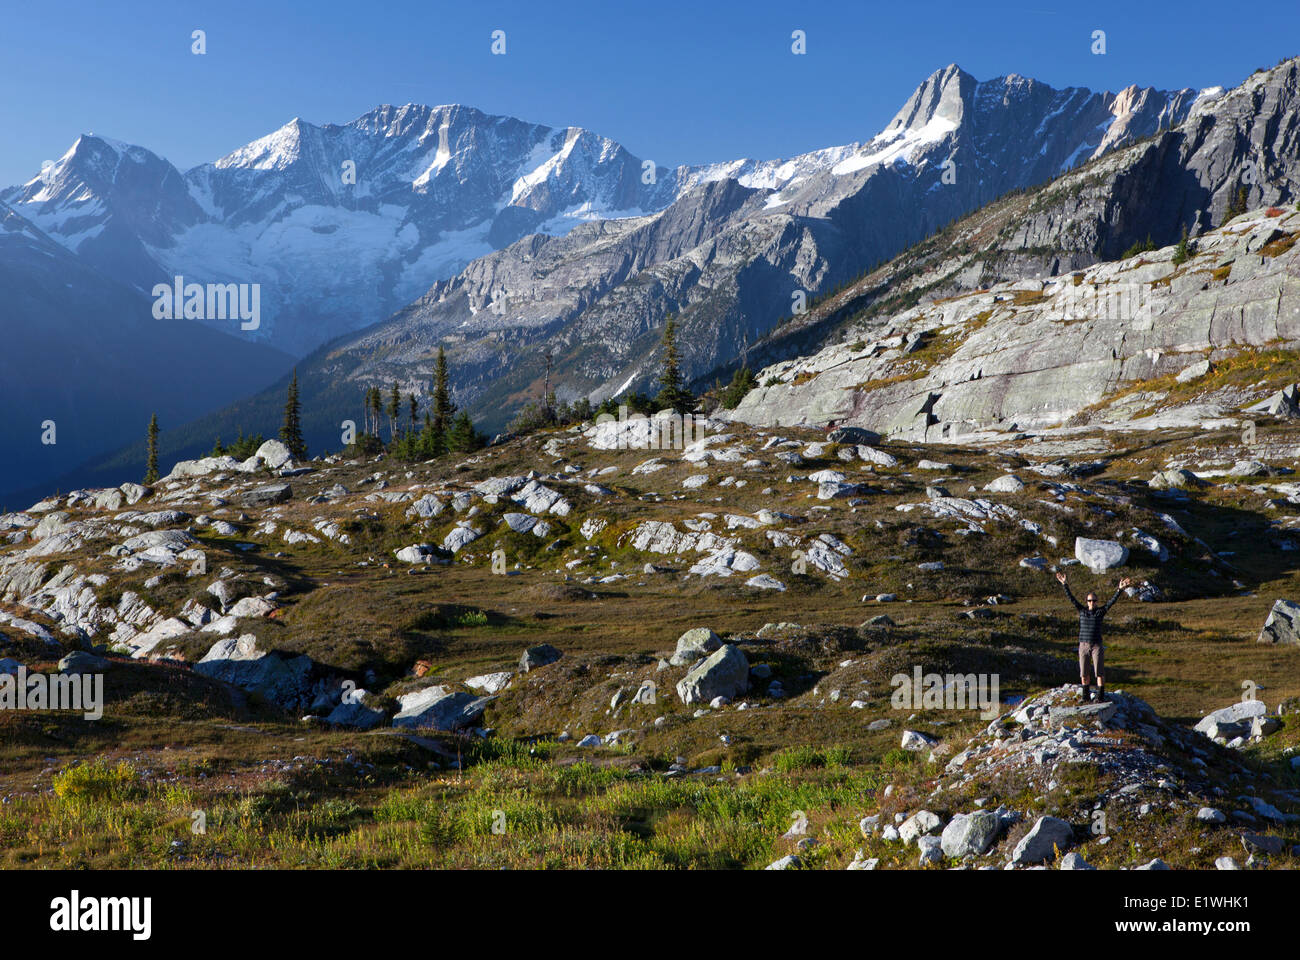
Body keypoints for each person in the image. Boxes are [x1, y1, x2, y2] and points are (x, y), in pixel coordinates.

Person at [1055, 571, 1134, 702]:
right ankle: (1085, 697)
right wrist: (1064, 584)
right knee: (1084, 673)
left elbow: (1111, 602)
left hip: (1097, 645)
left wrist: (1119, 589)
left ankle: (1100, 696)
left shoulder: (1100, 612)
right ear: (1087, 602)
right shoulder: (1082, 611)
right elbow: (1071, 599)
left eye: (1094, 601)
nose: (1092, 602)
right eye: (1089, 600)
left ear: (1096, 602)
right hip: (1083, 645)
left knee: (1099, 672)